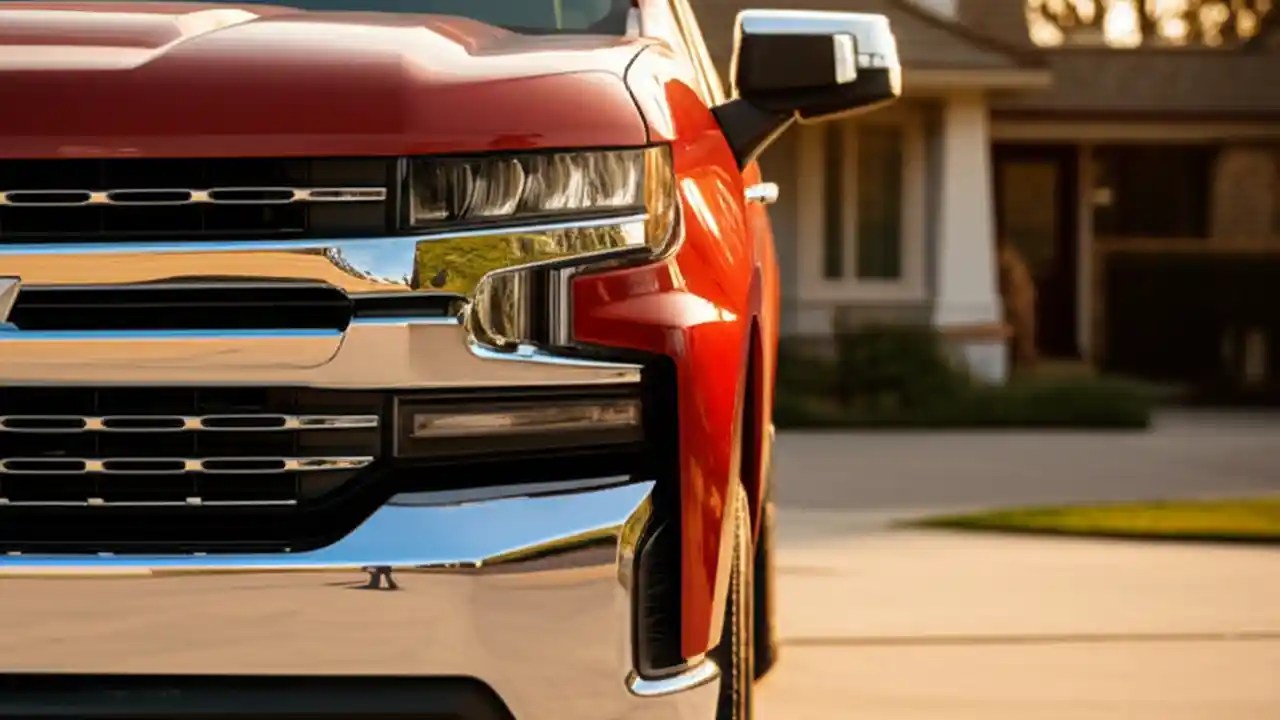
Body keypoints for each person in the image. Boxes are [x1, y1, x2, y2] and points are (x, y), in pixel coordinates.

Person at [998, 242, 1038, 370]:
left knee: (1024, 331)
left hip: (1019, 298)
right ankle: (1022, 360)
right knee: (1022, 331)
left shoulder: (1008, 257)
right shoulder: (1010, 258)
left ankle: (1026, 360)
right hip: (1017, 296)